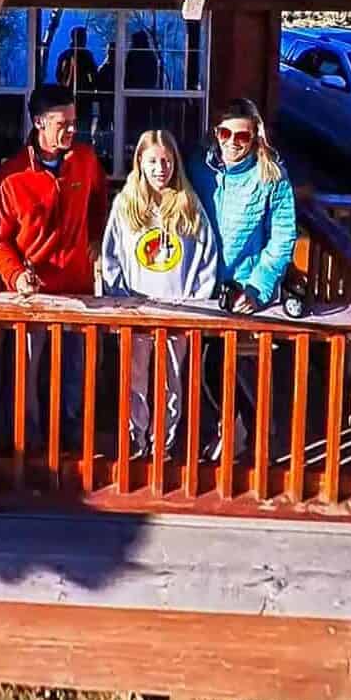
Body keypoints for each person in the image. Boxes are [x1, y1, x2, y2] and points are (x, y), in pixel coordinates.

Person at [0, 83, 108, 449]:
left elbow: (101, 198)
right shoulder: (13, 175)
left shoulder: (86, 161)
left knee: (74, 374)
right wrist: (15, 273)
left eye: (74, 121)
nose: (71, 129)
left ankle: (71, 446)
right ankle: (23, 446)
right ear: (39, 122)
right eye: (62, 123)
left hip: (77, 290)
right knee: (23, 375)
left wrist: (96, 237)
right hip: (32, 295)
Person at [189, 98, 297, 458]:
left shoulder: (271, 176)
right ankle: (225, 429)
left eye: (242, 136)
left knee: (239, 368)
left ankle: (254, 435)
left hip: (246, 288)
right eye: (225, 133)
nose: (232, 142)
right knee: (204, 368)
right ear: (214, 134)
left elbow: (283, 237)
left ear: (255, 138)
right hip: (202, 284)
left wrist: (259, 285)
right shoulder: (198, 169)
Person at [102, 130, 217, 458]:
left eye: (166, 161)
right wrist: (119, 298)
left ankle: (162, 441)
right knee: (135, 378)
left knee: (171, 381)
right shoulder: (126, 205)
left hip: (177, 309)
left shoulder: (188, 204)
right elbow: (110, 257)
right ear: (139, 162)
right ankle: (135, 438)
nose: (160, 168)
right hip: (136, 308)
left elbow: (207, 256)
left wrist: (196, 301)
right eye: (152, 161)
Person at [55, 26, 99, 134]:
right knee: (82, 128)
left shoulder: (64, 55)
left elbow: (58, 76)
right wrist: (92, 88)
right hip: (82, 98)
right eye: (84, 38)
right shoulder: (86, 55)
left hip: (67, 97)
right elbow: (93, 75)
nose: (85, 41)